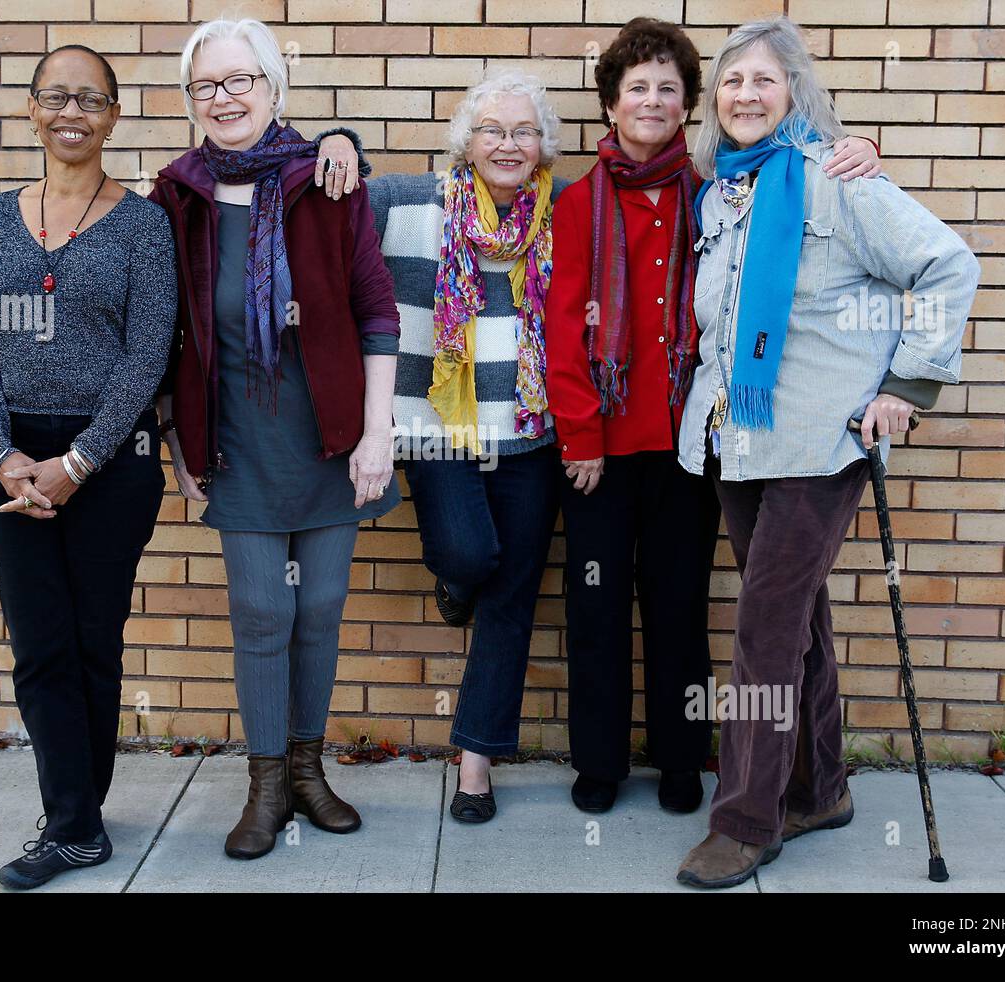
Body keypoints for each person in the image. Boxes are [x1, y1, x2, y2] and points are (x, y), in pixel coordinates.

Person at [545, 17, 881, 816]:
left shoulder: (719, 189)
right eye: (638, 89)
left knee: (679, 603)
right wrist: (581, 435)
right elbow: (559, 327)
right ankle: (598, 762)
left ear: (688, 103)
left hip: (692, 440)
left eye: (669, 88)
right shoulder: (577, 204)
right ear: (612, 104)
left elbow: (812, 186)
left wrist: (861, 149)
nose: (653, 102)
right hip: (603, 442)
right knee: (594, 603)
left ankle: (679, 756)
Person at [673, 16, 978, 888]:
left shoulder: (837, 180)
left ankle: (745, 821)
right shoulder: (720, 190)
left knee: (765, 626)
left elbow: (947, 265)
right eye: (732, 82)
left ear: (794, 93)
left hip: (819, 440)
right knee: (796, 621)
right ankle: (820, 787)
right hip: (737, 439)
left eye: (764, 80)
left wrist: (905, 388)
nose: (746, 95)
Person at [148, 18, 400, 861]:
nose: (223, 99)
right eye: (205, 86)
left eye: (239, 80)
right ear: (191, 101)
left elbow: (375, 312)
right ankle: (263, 786)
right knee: (264, 609)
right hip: (234, 440)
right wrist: (173, 444)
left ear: (273, 86)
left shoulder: (328, 181)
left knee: (320, 609)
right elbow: (162, 332)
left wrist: (377, 434)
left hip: (329, 435)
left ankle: (307, 770)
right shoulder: (176, 196)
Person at [318, 71, 566, 822]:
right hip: (437, 433)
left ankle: (476, 763)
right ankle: (454, 584)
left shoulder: (561, 216)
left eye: (524, 132)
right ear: (466, 140)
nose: (508, 145)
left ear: (542, 146)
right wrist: (341, 141)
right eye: (492, 130)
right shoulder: (411, 202)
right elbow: (330, 193)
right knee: (468, 556)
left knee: (513, 601)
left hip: (530, 433)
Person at [0, 44, 176, 889]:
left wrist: (78, 462)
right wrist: (2, 454)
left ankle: (75, 819)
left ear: (114, 115)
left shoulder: (143, 223)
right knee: (39, 643)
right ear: (30, 110)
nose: (71, 113)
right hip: (15, 457)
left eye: (89, 99)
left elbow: (148, 351)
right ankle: (75, 820)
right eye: (55, 96)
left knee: (93, 641)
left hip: (111, 460)